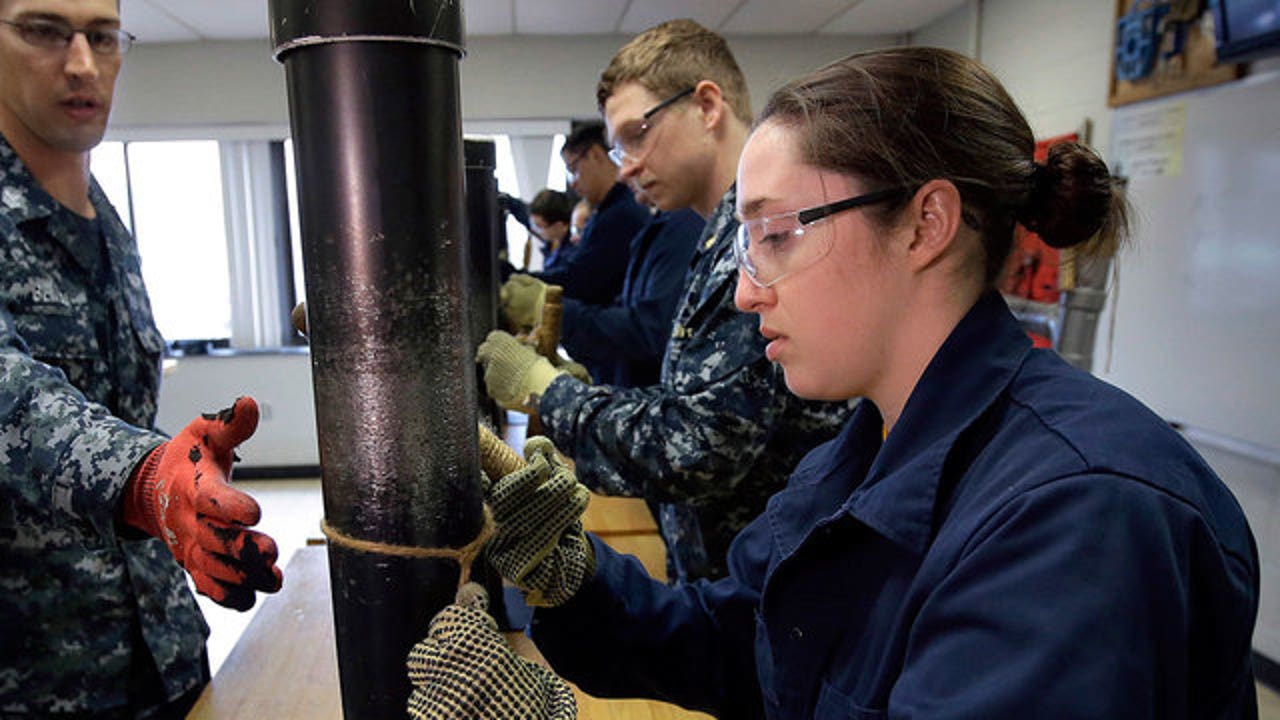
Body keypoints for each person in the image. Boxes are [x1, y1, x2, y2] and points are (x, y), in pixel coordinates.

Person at [410, 47, 1260, 719]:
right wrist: (575, 580)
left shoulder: (1078, 520)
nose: (746, 290)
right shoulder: (855, 458)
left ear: (926, 224)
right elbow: (739, 644)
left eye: (776, 233)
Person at [477, 19, 855, 582]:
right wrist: (585, 393)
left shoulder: (758, 242)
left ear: (706, 106)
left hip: (769, 586)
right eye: (616, 144)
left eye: (637, 133)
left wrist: (550, 393)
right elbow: (697, 399)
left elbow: (699, 449)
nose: (625, 163)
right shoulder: (718, 234)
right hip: (728, 577)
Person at [0, 0, 283, 716]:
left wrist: (187, 492)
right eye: (42, 30)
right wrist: (144, 475)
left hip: (161, 650)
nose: (81, 63)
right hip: (33, 673)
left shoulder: (107, 219)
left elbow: (116, 407)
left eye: (102, 36)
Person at [502, 187, 704, 388]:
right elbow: (626, 311)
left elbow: (649, 333)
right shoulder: (663, 224)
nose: (625, 171)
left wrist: (552, 311)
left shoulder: (683, 226)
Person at [521, 121, 648, 306]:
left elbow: (581, 281)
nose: (572, 183)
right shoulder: (608, 211)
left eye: (573, 170)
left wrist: (523, 282)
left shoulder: (620, 215)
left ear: (595, 155)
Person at [528, 188, 577, 274]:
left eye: (540, 227)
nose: (537, 231)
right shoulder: (553, 240)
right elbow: (522, 213)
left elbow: (553, 278)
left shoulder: (572, 255)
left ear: (559, 225)